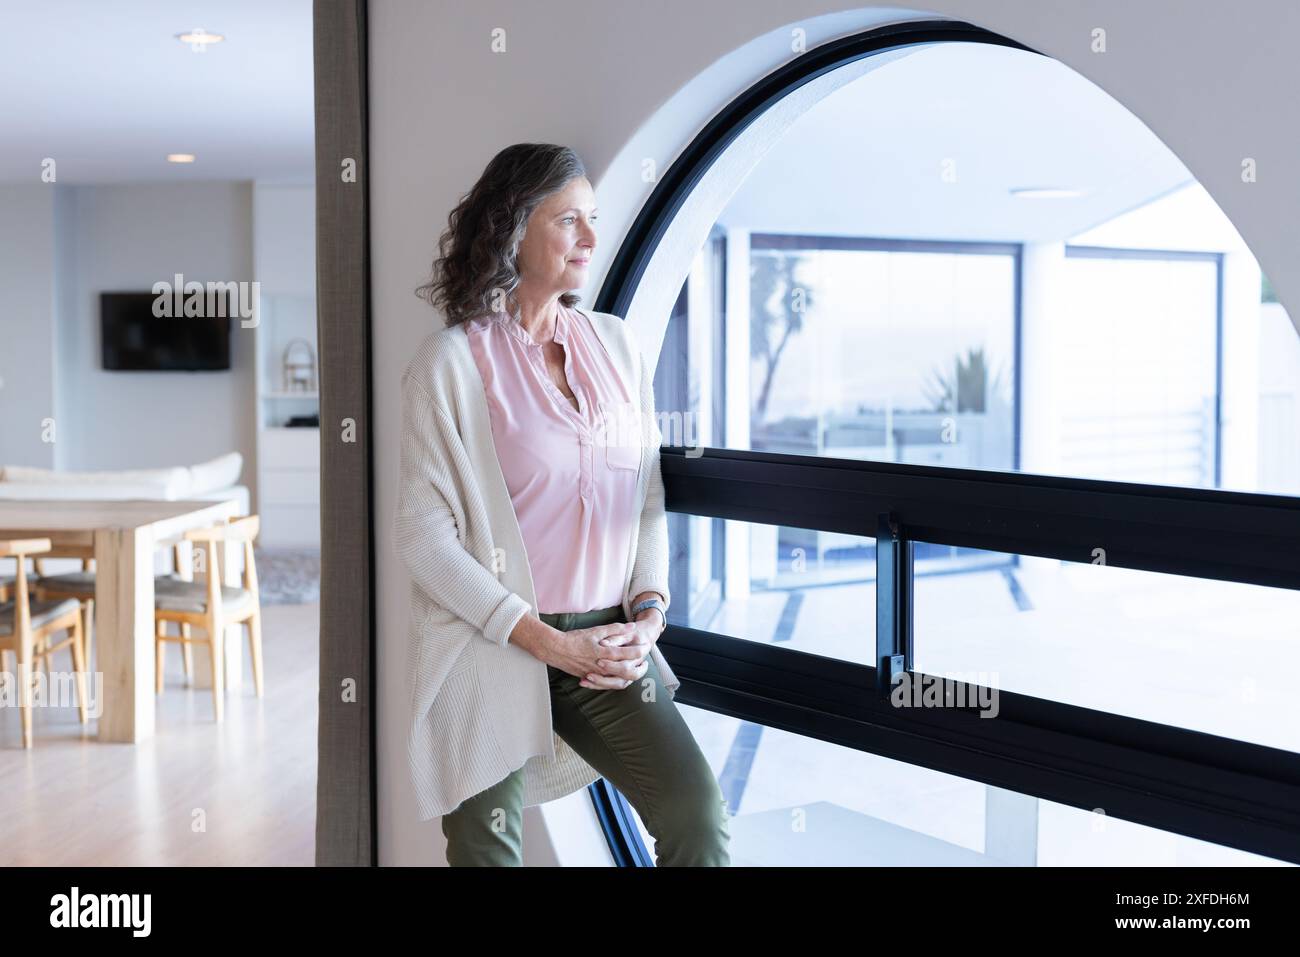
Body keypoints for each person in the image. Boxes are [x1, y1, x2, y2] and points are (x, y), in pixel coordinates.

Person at [398, 142, 731, 866]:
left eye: (594, 220)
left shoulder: (617, 346)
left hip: (607, 648)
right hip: (491, 641)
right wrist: (543, 640)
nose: (590, 238)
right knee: (488, 851)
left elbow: (643, 493)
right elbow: (425, 538)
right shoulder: (452, 362)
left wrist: (649, 612)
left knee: (697, 814)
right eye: (569, 220)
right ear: (515, 229)